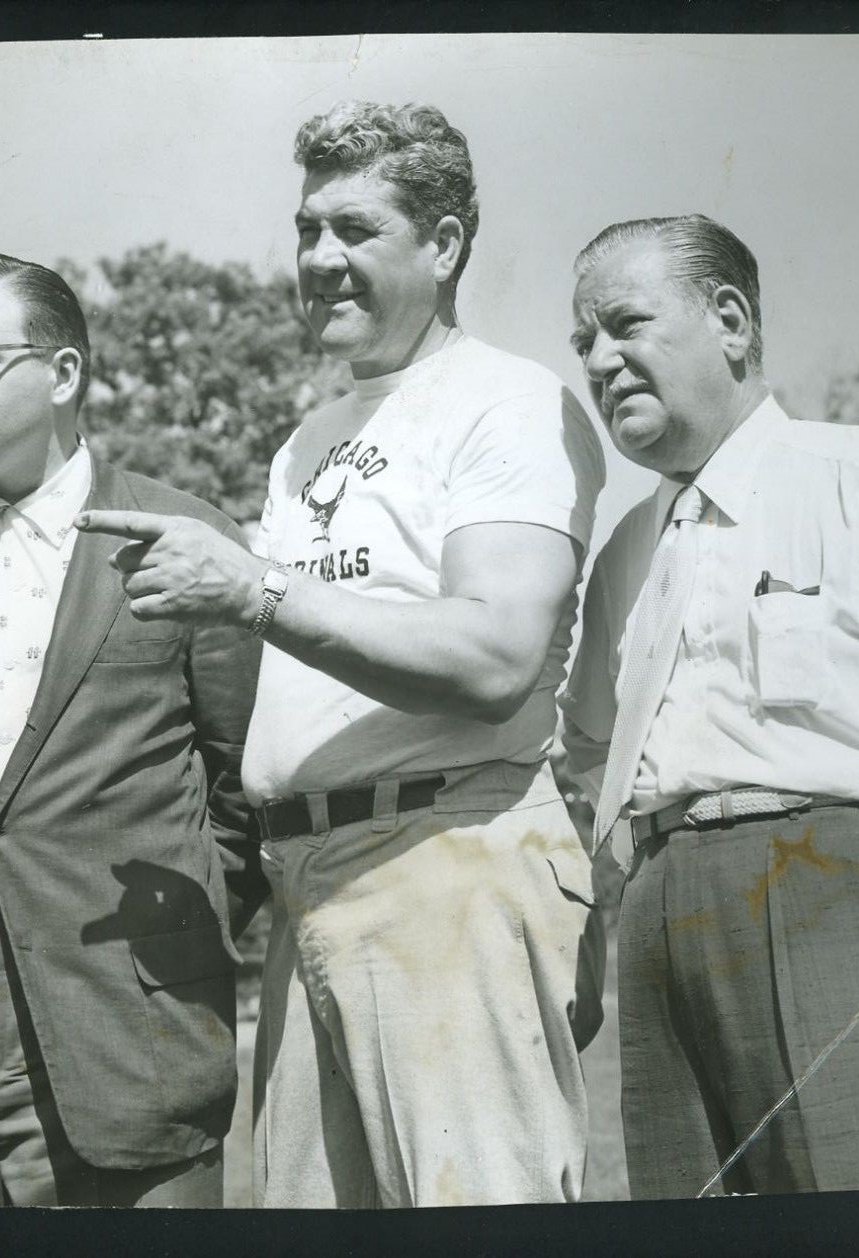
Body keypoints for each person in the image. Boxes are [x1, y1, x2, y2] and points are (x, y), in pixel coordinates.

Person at [77, 101, 606, 1207]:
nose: (319, 259)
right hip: (306, 885)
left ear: (446, 243)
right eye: (307, 228)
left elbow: (496, 655)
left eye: (355, 230)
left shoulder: (507, 404)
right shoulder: (308, 440)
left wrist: (252, 586)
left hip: (444, 856)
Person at [561, 214, 859, 1196]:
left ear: (728, 319)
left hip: (831, 899)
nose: (600, 359)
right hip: (657, 924)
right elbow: (580, 756)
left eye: (625, 324)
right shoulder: (623, 551)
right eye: (582, 342)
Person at [0, 252, 264, 1207]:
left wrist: (168, 944)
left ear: (66, 374)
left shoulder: (184, 536)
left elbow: (245, 786)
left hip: (134, 1039)